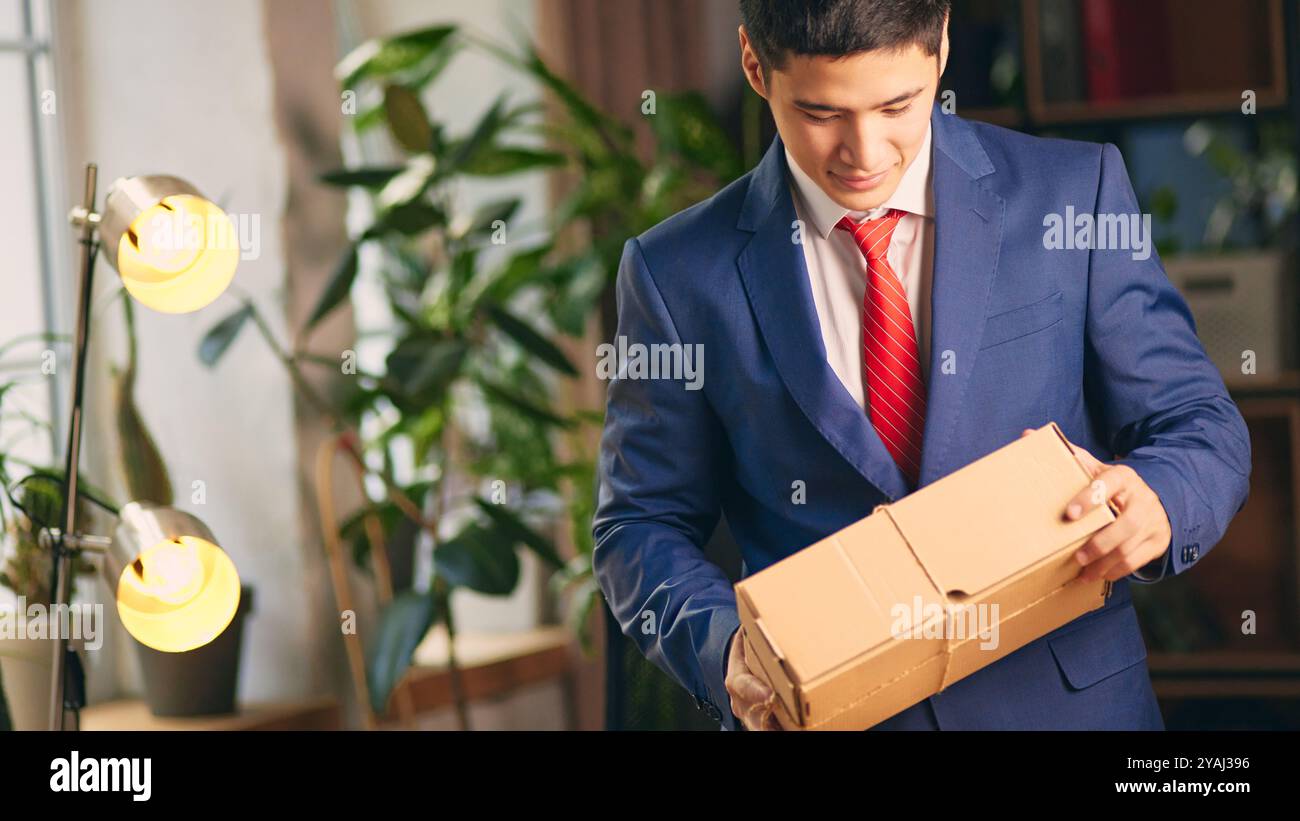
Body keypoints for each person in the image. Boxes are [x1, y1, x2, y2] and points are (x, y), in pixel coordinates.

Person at [592, 0, 1251, 730]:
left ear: (939, 44)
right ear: (755, 65)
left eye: (897, 105)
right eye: (819, 113)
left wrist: (1160, 499)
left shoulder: (1074, 194)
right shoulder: (675, 273)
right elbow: (639, 523)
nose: (865, 152)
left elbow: (1200, 424)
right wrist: (727, 651)